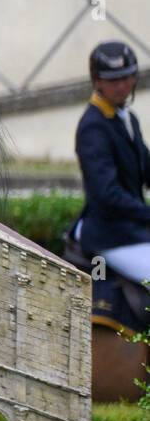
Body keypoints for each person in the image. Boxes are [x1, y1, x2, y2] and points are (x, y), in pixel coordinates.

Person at [73, 41, 150, 285]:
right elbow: (107, 194)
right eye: (113, 80)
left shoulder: (128, 118)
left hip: (131, 227)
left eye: (127, 78)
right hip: (111, 234)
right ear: (97, 81)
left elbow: (146, 168)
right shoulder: (93, 127)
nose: (122, 86)